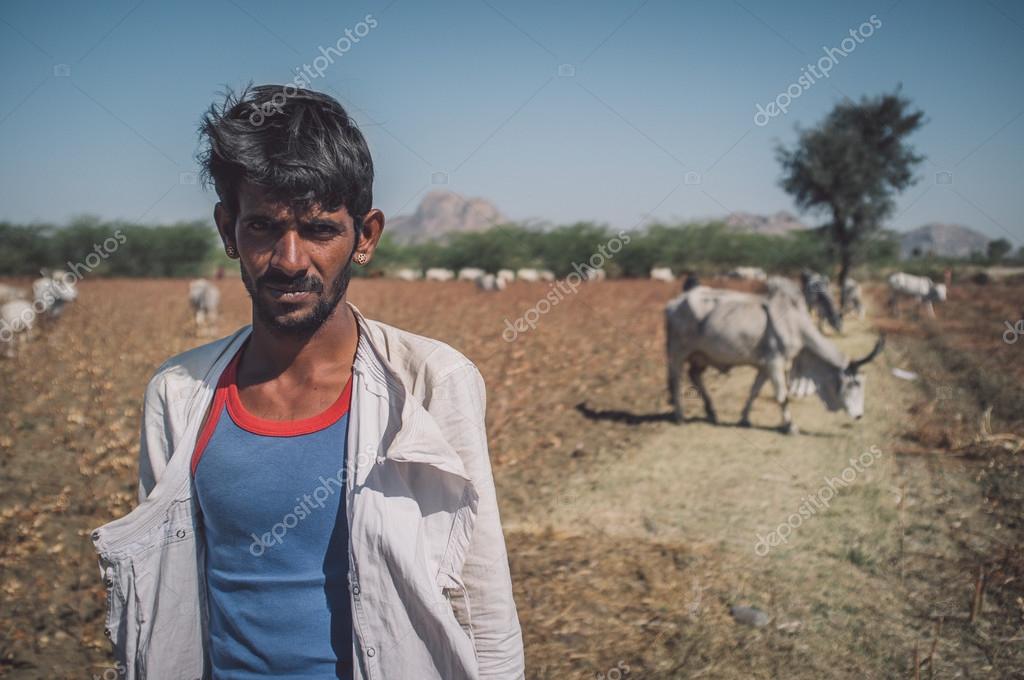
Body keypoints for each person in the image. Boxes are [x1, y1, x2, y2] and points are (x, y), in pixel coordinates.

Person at [90, 85, 524, 679]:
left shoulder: (429, 384)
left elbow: (480, 593)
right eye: (264, 226)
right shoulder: (180, 393)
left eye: (320, 229)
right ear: (228, 230)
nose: (290, 259)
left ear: (364, 237)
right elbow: (162, 588)